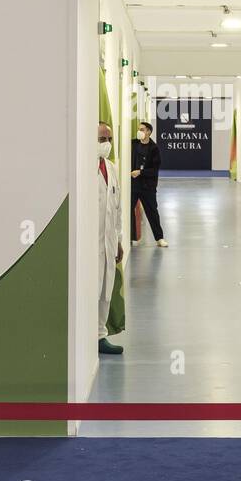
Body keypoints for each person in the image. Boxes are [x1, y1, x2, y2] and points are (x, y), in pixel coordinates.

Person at [97, 122, 124, 354]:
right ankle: (88, 336)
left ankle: (100, 335)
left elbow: (117, 208)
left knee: (106, 289)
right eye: (101, 139)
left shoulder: (111, 167)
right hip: (92, 243)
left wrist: (118, 239)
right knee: (92, 288)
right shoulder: (85, 170)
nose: (106, 144)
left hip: (108, 240)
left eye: (109, 139)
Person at [130, 121, 166, 247]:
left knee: (152, 212)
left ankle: (159, 238)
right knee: (129, 209)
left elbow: (154, 169)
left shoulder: (154, 148)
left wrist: (140, 172)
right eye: (139, 129)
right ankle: (130, 237)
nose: (140, 131)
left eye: (143, 129)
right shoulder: (133, 144)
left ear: (149, 132)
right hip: (133, 186)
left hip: (148, 186)